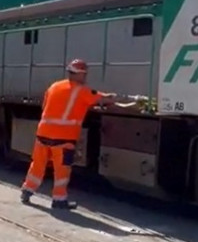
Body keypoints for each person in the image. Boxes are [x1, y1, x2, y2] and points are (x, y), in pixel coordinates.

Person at [20, 58, 134, 210]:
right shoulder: (82, 91)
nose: (85, 78)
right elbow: (103, 98)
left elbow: (45, 106)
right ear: (79, 74)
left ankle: (27, 191)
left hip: (43, 134)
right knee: (62, 170)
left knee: (38, 164)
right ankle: (59, 200)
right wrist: (128, 99)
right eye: (84, 74)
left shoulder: (54, 86)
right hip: (64, 138)